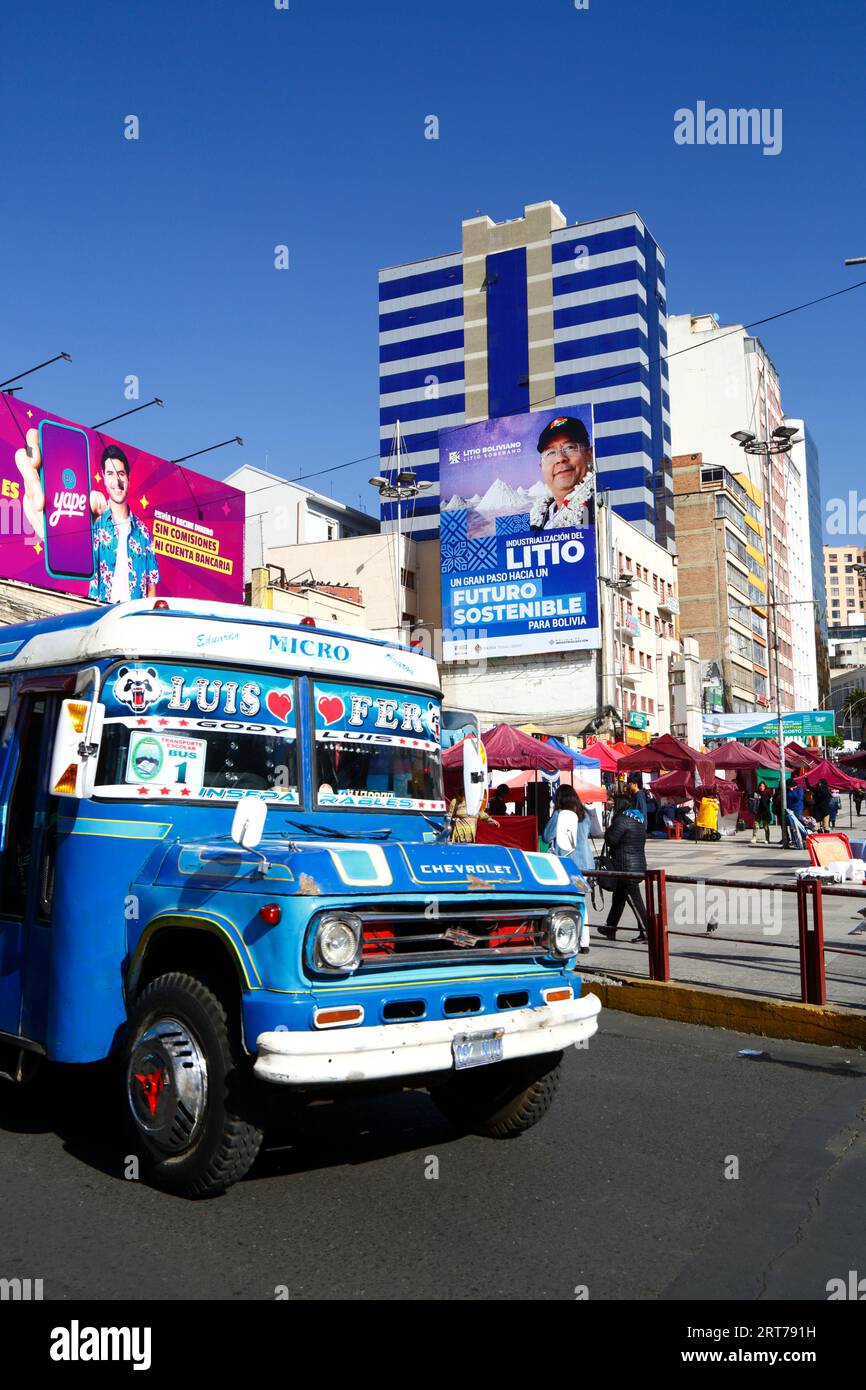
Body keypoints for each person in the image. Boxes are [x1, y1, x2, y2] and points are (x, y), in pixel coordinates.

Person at [89, 446, 159, 601]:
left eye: (121, 474)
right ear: (104, 479)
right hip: (100, 613)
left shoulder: (143, 532)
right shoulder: (95, 523)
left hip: (131, 617)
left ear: (128, 478)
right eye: (110, 474)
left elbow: (151, 587)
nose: (117, 481)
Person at [543, 786, 592, 952]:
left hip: (566, 865)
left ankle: (568, 938)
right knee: (581, 903)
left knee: (566, 902)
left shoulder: (559, 815)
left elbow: (546, 836)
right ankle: (584, 941)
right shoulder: (584, 815)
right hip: (586, 865)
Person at [529, 416, 595, 530]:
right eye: (550, 453)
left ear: (589, 454)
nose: (560, 458)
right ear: (541, 467)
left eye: (569, 447)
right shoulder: (535, 520)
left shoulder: (597, 510)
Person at [597, 800, 649, 943]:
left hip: (625, 867)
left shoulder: (622, 820)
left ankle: (646, 931)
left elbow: (611, 840)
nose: (613, 807)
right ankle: (610, 927)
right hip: (636, 864)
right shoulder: (638, 820)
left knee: (635, 901)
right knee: (618, 899)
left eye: (614, 805)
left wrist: (608, 828)